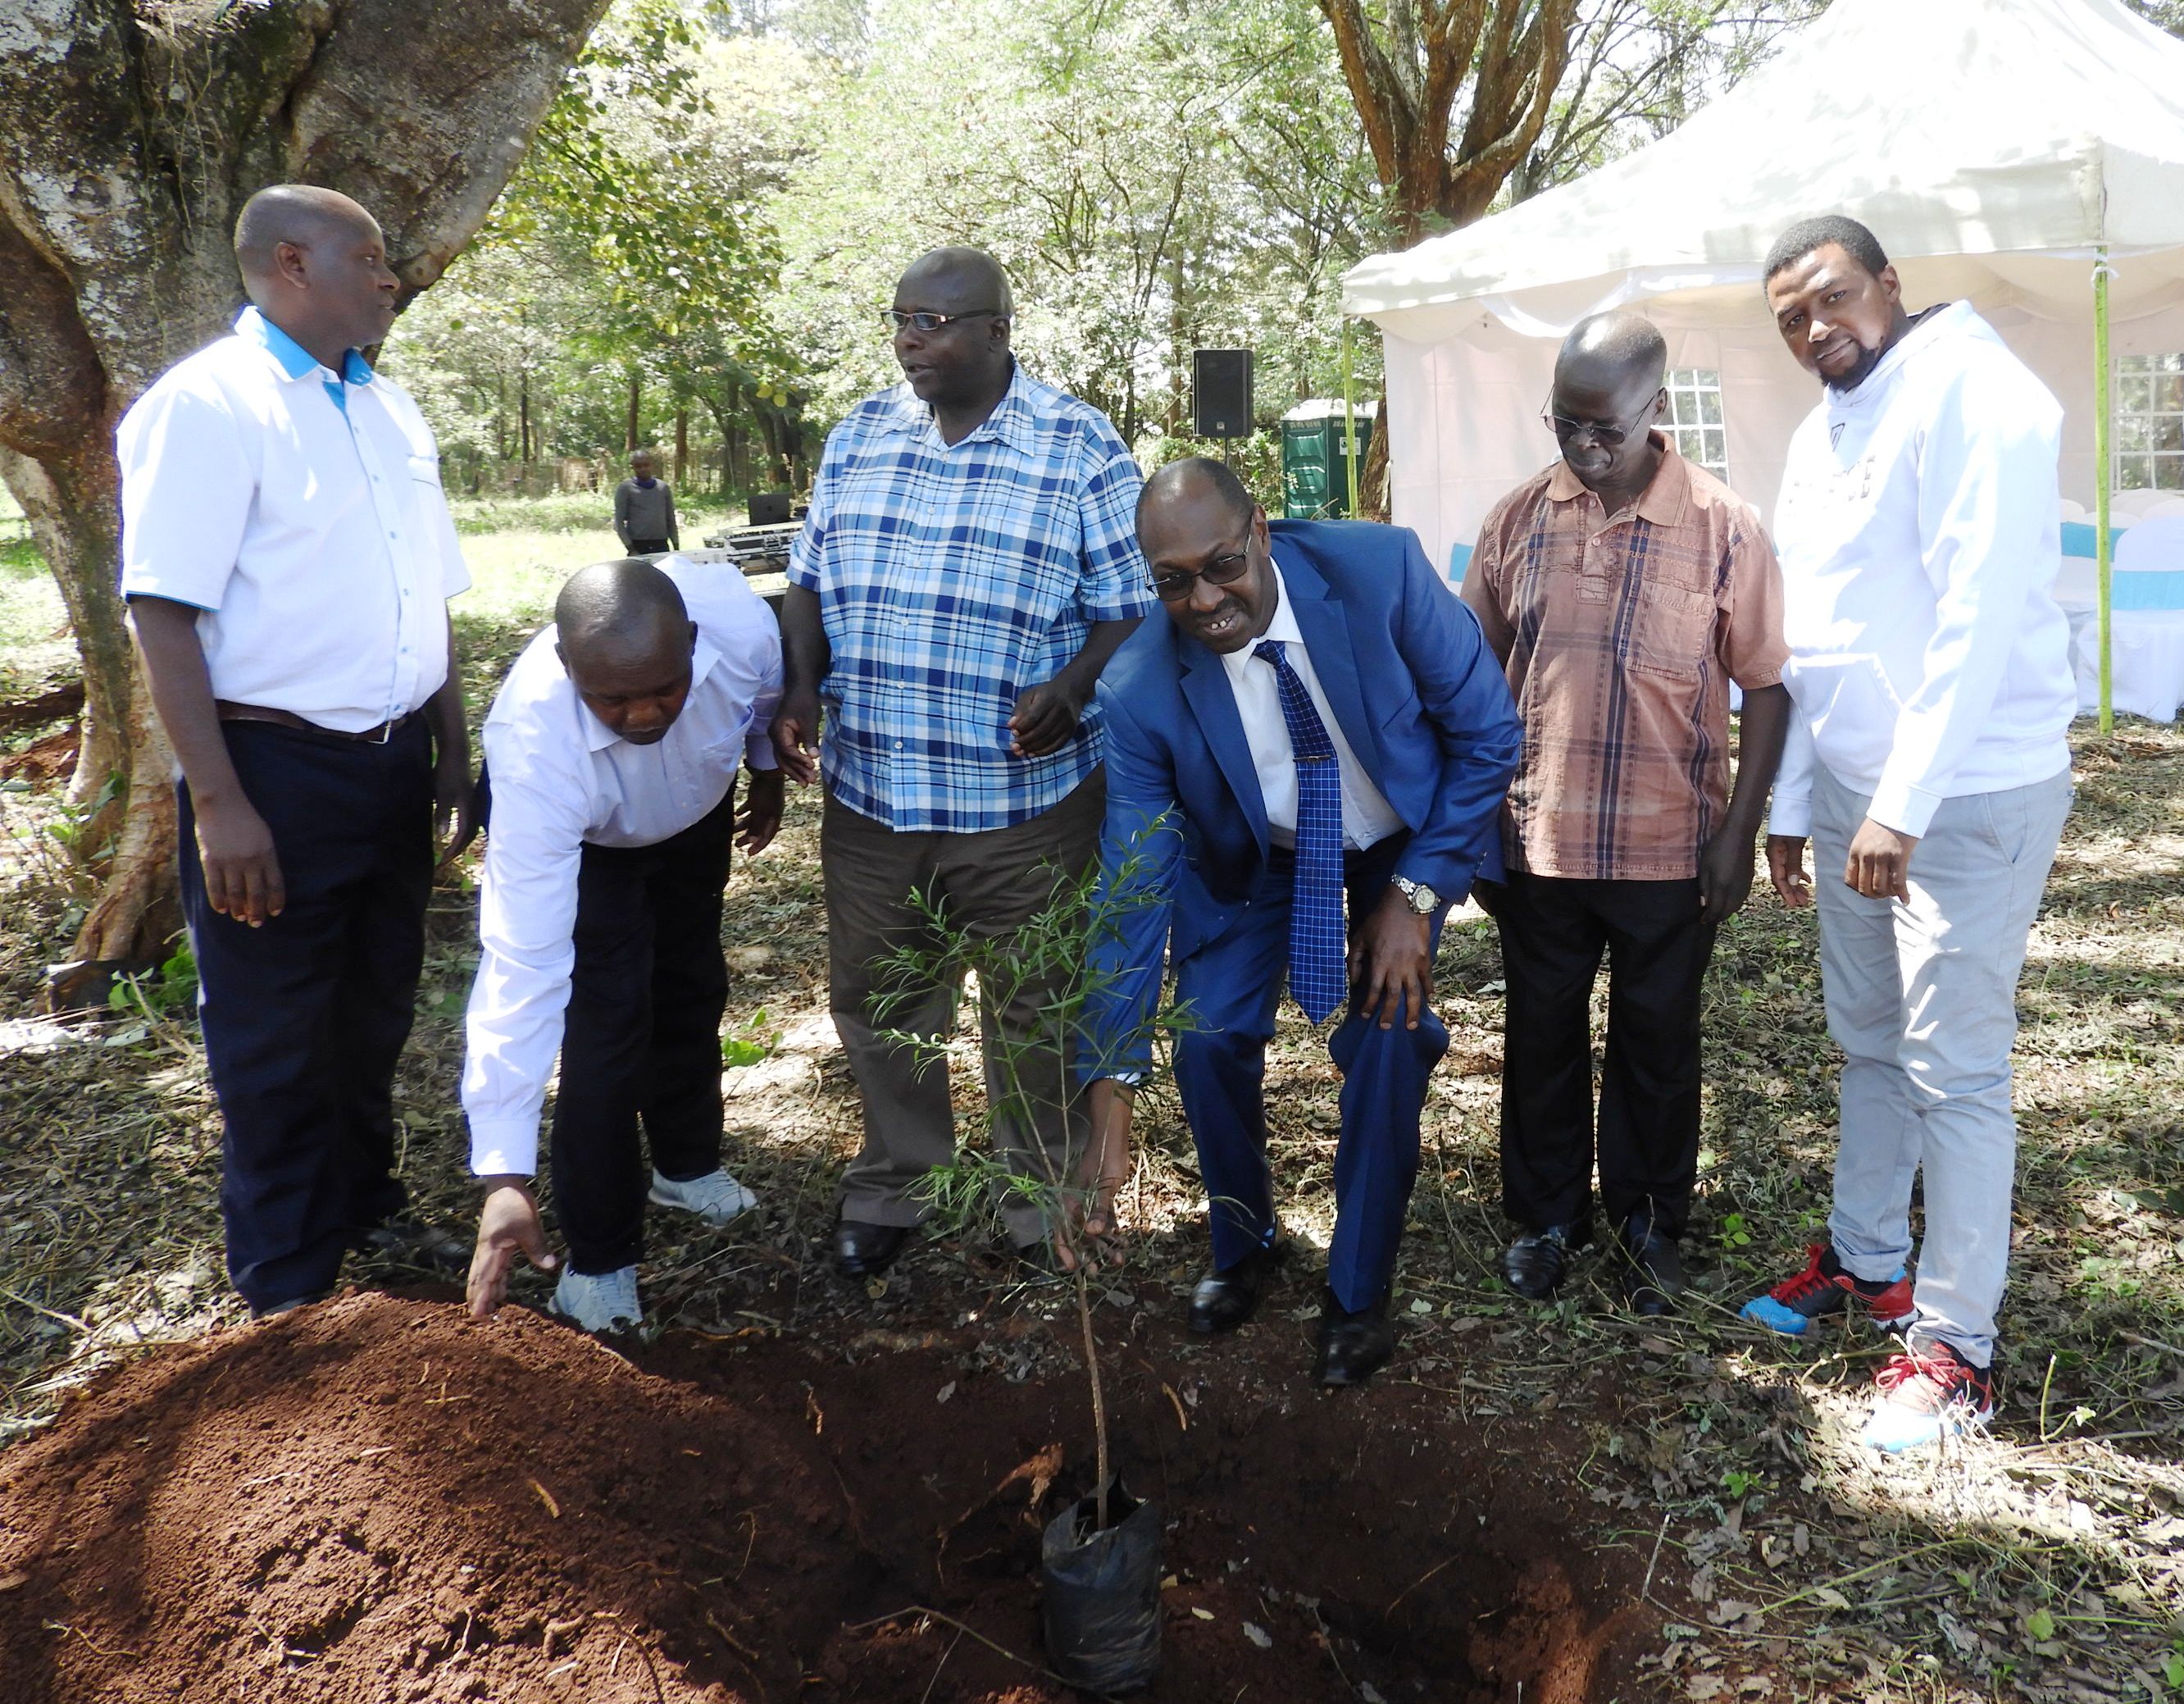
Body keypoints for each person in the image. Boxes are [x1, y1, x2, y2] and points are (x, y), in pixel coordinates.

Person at [1743, 215, 2077, 1453]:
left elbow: (1978, 617)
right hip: (1853, 794)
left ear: (1890, 283)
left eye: (1832, 299)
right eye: (1791, 318)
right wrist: (1795, 804)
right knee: (1869, 1039)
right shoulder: (1831, 419)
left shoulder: (1974, 389)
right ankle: (1873, 1260)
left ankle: (1958, 1348)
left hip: (1965, 792)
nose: (1815, 328)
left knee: (1958, 1070)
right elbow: (1808, 623)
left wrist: (1902, 802)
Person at [1081, 459, 1521, 1386]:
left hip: (1393, 850)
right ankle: (1244, 1243)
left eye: (1222, 564)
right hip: (1254, 858)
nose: (1203, 599)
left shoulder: (1382, 571)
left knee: (1388, 1032)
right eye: (1172, 581)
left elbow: (1489, 732)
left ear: (1263, 531)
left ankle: (1357, 1292)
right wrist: (1111, 1093)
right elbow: (1129, 891)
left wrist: (1418, 896)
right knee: (1206, 1037)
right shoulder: (1138, 689)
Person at [118, 185, 475, 1319]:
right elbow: (162, 612)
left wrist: (451, 759)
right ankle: (287, 1283)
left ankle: (366, 1204)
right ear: (289, 262)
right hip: (271, 772)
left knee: (371, 1009)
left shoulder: (387, 412)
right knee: (274, 1030)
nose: (389, 278)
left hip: (392, 762)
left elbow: (432, 599)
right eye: (368, 259)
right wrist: (217, 803)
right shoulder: (212, 407)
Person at [774, 247, 1156, 1280]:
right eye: (901, 318)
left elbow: (1133, 607)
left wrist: (1074, 686)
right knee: (881, 997)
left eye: (936, 322)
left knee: (1034, 1001)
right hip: (872, 793)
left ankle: (1038, 1196)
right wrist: (802, 683)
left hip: (1023, 801)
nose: (911, 338)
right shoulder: (858, 435)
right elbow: (806, 579)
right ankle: (898, 1180)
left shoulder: (1076, 443)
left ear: (996, 331)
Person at [1462, 313, 1792, 1315]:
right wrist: (1477, 821)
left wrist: (1737, 832)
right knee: (1543, 1034)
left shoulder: (1726, 525)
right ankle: (1548, 1219)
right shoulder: (1517, 518)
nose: (1583, 445)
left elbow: (1769, 687)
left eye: (1605, 426)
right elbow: (1470, 674)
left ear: (1658, 409)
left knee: (1657, 1042)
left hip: (1668, 850)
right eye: (1567, 422)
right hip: (1541, 842)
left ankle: (1649, 1220)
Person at [460, 557, 783, 1333]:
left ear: (695, 647)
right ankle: (599, 1262)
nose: (643, 715)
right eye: (613, 699)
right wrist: (504, 1169)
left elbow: (766, 693)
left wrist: (765, 766)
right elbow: (523, 960)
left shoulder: (740, 628)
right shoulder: (534, 747)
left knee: (691, 985)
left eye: (664, 690)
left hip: (694, 817)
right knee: (605, 1030)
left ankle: (686, 1164)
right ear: (567, 667)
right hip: (593, 843)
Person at [612, 450, 679, 556]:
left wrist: (676, 546)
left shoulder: (663, 488)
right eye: (638, 466)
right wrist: (631, 548)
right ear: (633, 467)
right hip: (638, 545)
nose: (643, 469)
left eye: (646, 465)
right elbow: (619, 523)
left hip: (661, 544)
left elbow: (670, 518)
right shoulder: (626, 488)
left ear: (651, 465)